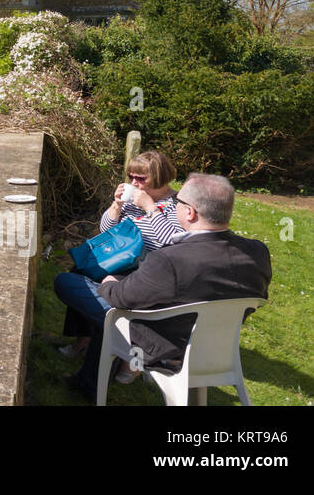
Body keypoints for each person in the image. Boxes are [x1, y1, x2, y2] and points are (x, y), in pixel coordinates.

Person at [54, 172, 271, 399]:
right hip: (216, 348)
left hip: (161, 345)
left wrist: (109, 283)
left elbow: (121, 299)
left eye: (177, 203)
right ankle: (89, 382)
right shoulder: (258, 253)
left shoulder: (170, 259)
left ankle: (95, 378)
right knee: (110, 312)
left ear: (190, 212)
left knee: (72, 285)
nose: (174, 206)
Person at [60, 150, 182, 364]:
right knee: (81, 271)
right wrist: (117, 205)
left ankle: (120, 354)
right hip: (123, 260)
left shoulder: (176, 205)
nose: (135, 182)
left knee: (101, 288)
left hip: (148, 270)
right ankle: (83, 339)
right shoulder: (133, 199)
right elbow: (106, 229)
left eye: (141, 178)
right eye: (131, 177)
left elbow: (169, 241)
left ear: (160, 176)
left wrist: (149, 207)